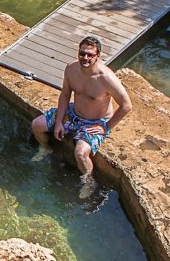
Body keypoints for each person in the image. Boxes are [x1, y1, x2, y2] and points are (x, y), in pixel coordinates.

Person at [30, 36, 132, 198]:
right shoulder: (71, 69)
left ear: (97, 56)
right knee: (37, 125)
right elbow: (65, 94)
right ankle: (45, 148)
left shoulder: (106, 78)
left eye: (90, 55)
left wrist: (105, 127)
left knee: (80, 153)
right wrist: (58, 122)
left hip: (95, 121)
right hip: (73, 114)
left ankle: (88, 181)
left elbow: (126, 105)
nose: (85, 58)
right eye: (82, 53)